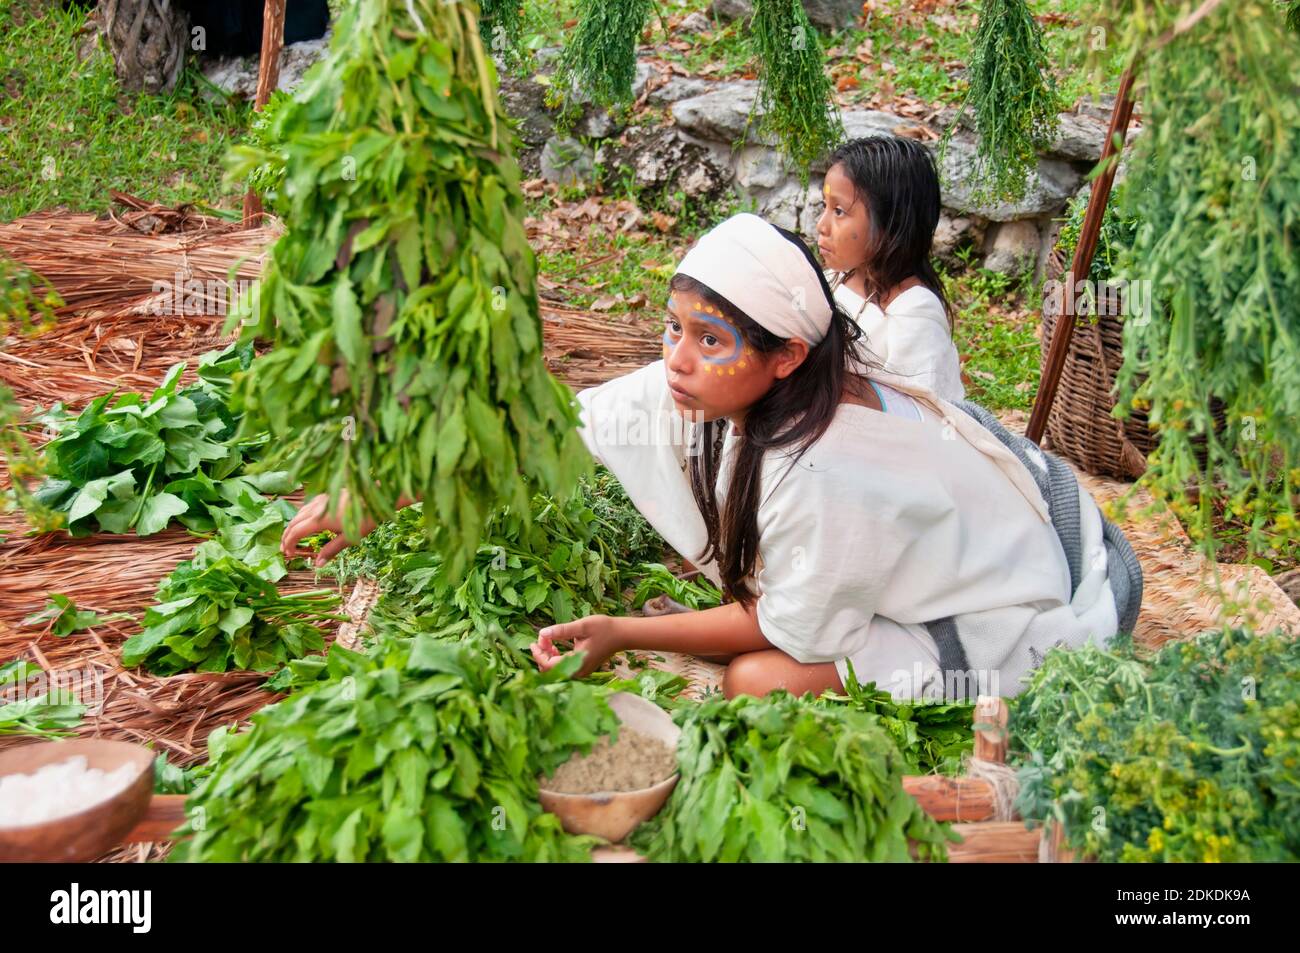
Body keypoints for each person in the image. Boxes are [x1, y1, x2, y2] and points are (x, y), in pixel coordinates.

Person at [282, 213, 1140, 701]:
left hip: (1040, 580)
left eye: (710, 337)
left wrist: (622, 632)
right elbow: (554, 429)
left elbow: (778, 630)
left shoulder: (830, 471)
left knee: (759, 682)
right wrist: (378, 488)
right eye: (674, 326)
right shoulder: (727, 383)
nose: (678, 358)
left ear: (787, 356)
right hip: (1010, 503)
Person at [816, 135, 965, 402]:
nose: (821, 225)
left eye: (839, 211)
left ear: (889, 224)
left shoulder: (914, 318)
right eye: (823, 206)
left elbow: (920, 419)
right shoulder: (832, 282)